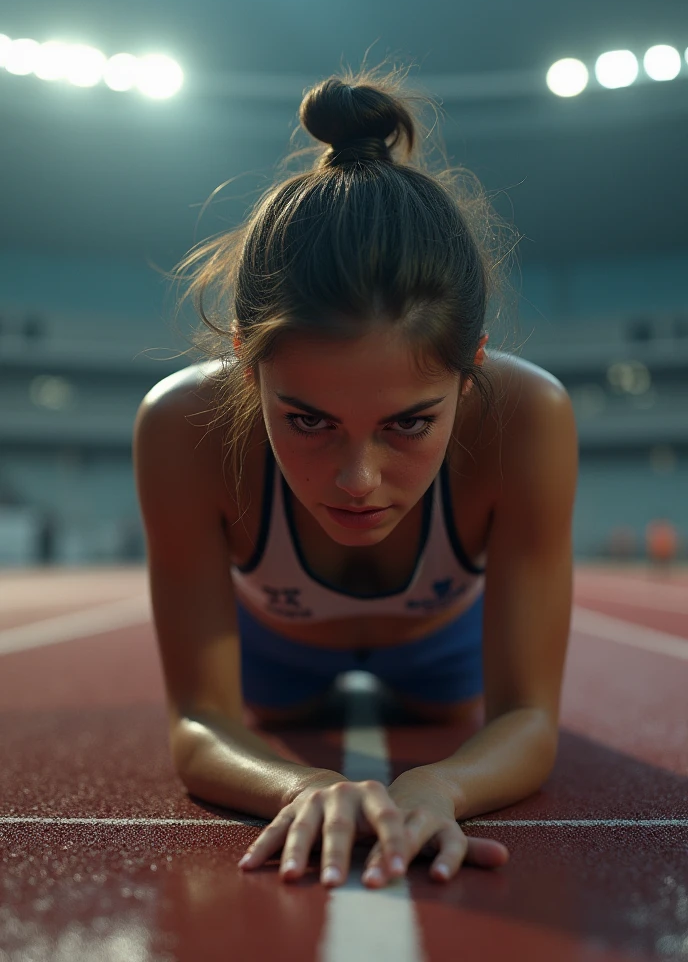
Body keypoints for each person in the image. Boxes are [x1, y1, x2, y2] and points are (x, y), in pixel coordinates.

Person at [134, 63, 578, 893]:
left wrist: (439, 783)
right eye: (307, 420)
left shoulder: (529, 418)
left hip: (441, 659)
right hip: (274, 662)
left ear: (471, 368)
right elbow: (202, 721)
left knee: (452, 722)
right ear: (245, 359)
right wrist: (304, 787)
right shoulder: (180, 429)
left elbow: (527, 719)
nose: (357, 479)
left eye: (410, 423)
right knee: (280, 722)